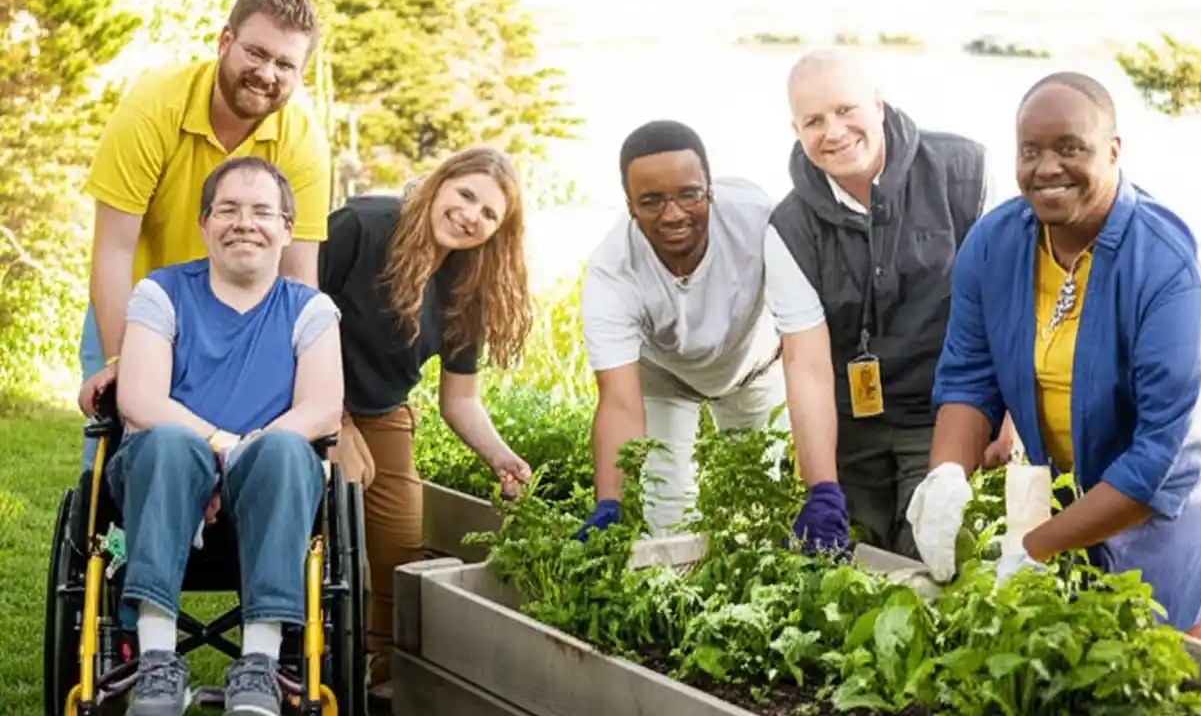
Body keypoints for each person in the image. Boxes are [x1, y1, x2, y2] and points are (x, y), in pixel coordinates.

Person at [911, 71, 1201, 644]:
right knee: (1087, 629)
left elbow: (1167, 456)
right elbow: (967, 378)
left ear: (1114, 151)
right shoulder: (994, 245)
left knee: (1175, 648)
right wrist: (945, 478)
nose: (1047, 167)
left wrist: (1037, 545)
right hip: (1103, 464)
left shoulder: (1167, 266)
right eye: (1030, 150)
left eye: (1070, 148)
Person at [110, 157, 342, 715]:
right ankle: (157, 662)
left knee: (287, 447)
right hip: (163, 473)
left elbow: (322, 408)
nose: (245, 223)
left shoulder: (309, 309)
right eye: (229, 209)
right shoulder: (160, 293)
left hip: (265, 485)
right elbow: (139, 399)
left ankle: (260, 663)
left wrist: (243, 454)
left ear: (287, 229)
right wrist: (218, 446)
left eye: (263, 211)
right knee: (169, 441)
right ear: (204, 223)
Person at [768, 49, 1013, 559]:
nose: (833, 132)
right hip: (851, 426)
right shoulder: (788, 228)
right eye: (813, 121)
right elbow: (807, 364)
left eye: (845, 110)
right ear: (795, 130)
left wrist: (1013, 412)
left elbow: (1010, 302)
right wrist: (821, 489)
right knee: (851, 567)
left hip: (943, 411)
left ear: (878, 105)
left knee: (925, 555)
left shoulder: (965, 172)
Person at [78, 0, 331, 470]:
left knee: (255, 460)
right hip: (140, 308)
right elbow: (113, 251)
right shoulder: (153, 107)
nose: (267, 73)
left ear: (300, 73)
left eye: (284, 63)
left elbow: (299, 277)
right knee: (119, 456)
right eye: (255, 53)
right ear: (225, 42)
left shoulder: (302, 141)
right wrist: (119, 362)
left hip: (243, 322)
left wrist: (309, 389)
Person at [318, 146, 534, 700]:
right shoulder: (363, 227)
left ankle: (385, 674)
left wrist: (503, 459)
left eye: (489, 215)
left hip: (382, 411)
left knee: (402, 540)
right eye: (466, 195)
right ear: (441, 183)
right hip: (302, 394)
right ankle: (302, 652)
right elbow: (285, 315)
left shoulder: (469, 286)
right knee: (335, 499)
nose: (471, 216)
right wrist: (332, 420)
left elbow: (460, 400)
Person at [574, 120, 850, 551]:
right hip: (664, 379)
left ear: (710, 188)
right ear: (629, 205)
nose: (673, 214)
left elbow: (805, 350)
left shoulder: (760, 221)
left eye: (689, 194)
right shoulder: (613, 272)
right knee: (668, 507)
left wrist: (823, 489)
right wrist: (608, 503)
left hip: (752, 369)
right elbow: (620, 401)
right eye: (651, 201)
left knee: (759, 500)